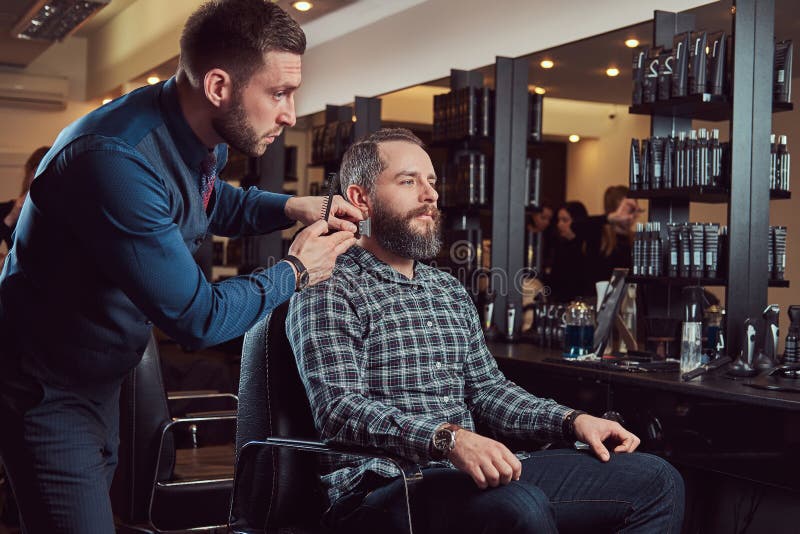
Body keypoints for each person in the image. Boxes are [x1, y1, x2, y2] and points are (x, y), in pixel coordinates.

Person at [0, 2, 360, 533]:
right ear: (218, 86)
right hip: (47, 387)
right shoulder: (115, 160)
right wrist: (297, 269)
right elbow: (198, 318)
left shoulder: (203, 137)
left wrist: (290, 207)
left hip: (102, 375)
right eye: (279, 93)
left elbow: (209, 203)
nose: (290, 114)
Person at [287, 128, 685, 534]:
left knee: (657, 480)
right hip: (382, 487)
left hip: (464, 474)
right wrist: (450, 440)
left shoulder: (446, 289)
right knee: (518, 506)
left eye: (431, 182)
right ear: (360, 199)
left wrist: (573, 420)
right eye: (408, 181)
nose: (430, 195)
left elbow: (488, 391)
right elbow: (339, 410)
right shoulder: (328, 285)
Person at [0, 146, 49, 251]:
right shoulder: (7, 209)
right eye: (36, 171)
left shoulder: (58, 211)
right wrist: (12, 217)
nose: (39, 179)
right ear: (29, 172)